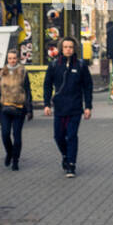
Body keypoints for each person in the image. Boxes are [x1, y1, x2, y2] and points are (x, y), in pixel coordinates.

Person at [44, 36, 93, 177]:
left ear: (74, 49)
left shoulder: (81, 65)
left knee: (71, 136)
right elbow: (47, 85)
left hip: (75, 107)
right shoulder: (54, 65)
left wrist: (88, 106)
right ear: (61, 48)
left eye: (70, 47)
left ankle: (71, 164)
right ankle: (65, 155)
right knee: (58, 136)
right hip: (59, 107)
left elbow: (87, 86)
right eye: (65, 47)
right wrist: (47, 104)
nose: (68, 49)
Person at [0, 47, 33, 170]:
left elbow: (27, 90)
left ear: (18, 59)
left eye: (14, 58)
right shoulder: (3, 72)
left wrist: (29, 109)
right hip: (5, 107)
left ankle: (15, 160)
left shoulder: (23, 71)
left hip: (19, 107)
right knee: (5, 134)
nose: (12, 61)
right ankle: (9, 153)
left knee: (17, 135)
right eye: (10, 58)